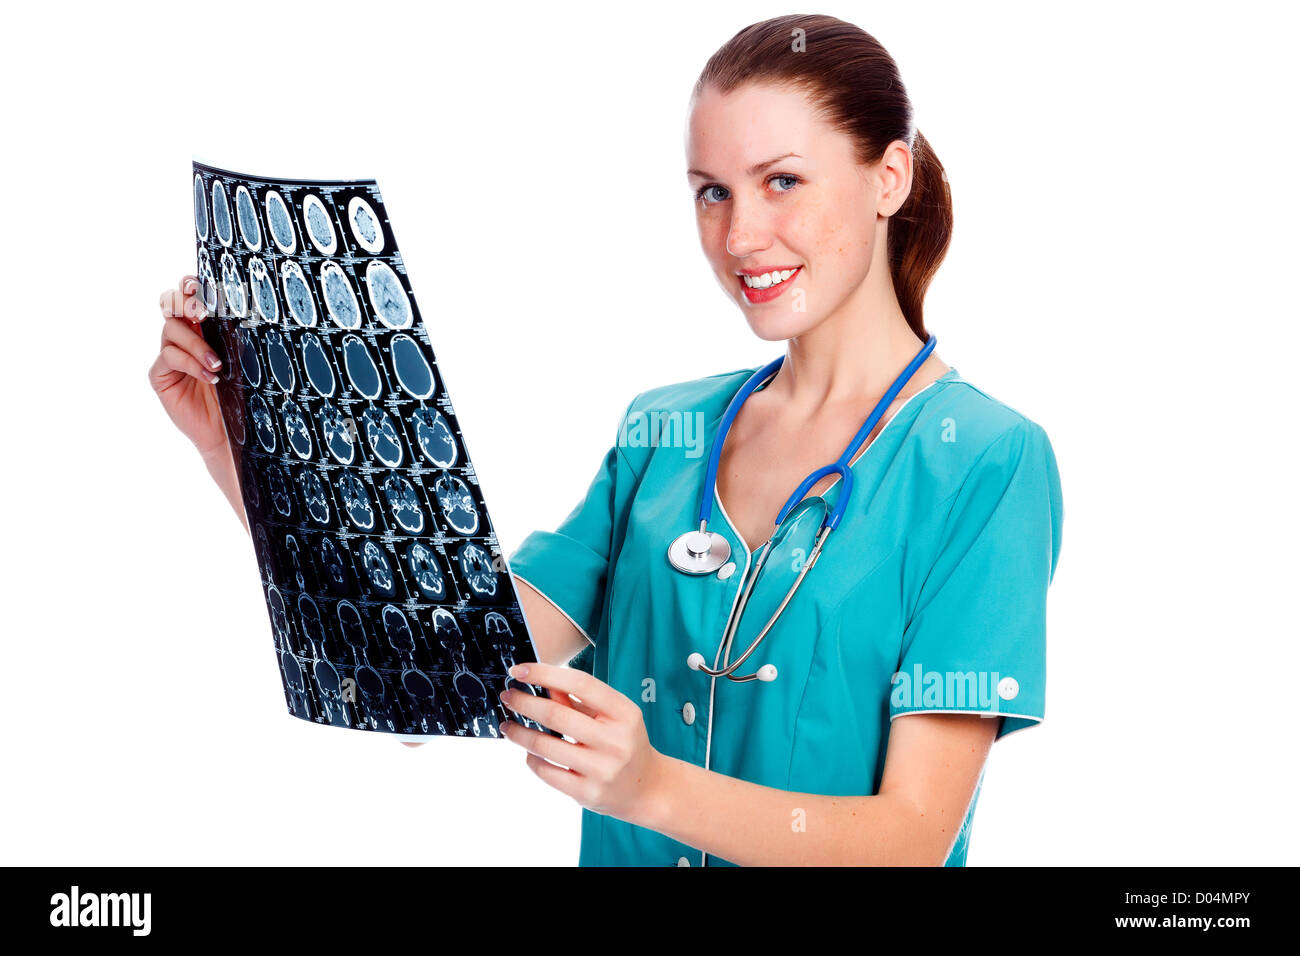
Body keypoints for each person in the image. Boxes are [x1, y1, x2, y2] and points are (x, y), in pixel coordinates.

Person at [152, 13, 1062, 867]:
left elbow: (913, 837)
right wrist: (232, 445)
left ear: (888, 179)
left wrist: (653, 788)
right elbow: (436, 665)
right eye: (713, 192)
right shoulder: (664, 437)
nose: (740, 236)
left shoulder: (983, 461)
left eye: (782, 180)